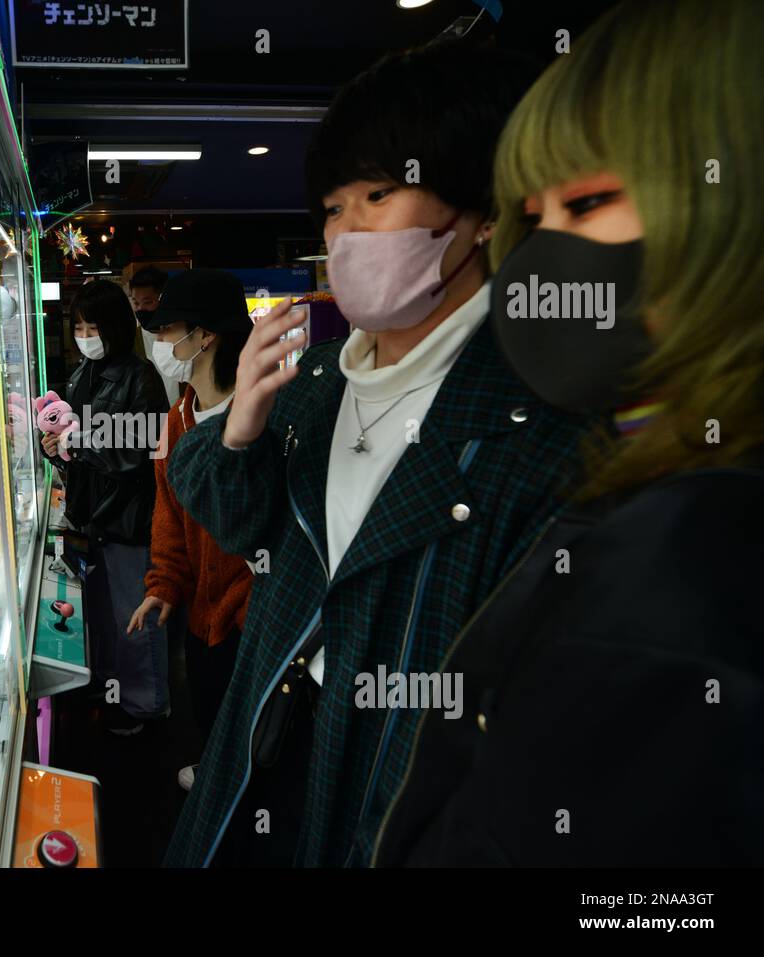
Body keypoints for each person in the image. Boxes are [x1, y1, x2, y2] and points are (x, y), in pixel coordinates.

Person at [163, 40, 590, 867]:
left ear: (485, 213)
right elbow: (241, 527)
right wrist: (237, 429)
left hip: (389, 782)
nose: (346, 232)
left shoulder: (539, 417)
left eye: (378, 194)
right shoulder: (317, 378)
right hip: (264, 735)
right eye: (331, 208)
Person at [374, 0, 764, 867]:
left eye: (587, 200)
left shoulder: (686, 566)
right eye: (532, 216)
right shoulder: (662, 488)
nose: (543, 262)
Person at [126, 269, 254, 791]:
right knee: (208, 705)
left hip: (254, 614)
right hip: (200, 613)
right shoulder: (178, 418)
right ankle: (218, 775)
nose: (157, 342)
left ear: (205, 336)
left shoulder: (263, 410)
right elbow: (170, 518)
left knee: (257, 726)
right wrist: (163, 586)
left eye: (166, 330)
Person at [44, 279, 170, 733]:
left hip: (126, 518)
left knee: (133, 618)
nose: (83, 336)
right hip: (86, 517)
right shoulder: (81, 374)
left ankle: (145, 704)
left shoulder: (141, 377)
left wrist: (77, 443)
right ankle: (108, 685)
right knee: (98, 615)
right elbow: (71, 435)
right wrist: (54, 445)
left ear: (115, 326)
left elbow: (141, 447)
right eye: (77, 326)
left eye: (91, 327)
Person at [129, 265, 178, 405]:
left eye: (148, 302)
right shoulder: (132, 341)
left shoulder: (183, 337)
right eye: (136, 303)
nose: (141, 309)